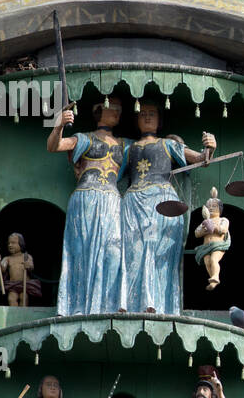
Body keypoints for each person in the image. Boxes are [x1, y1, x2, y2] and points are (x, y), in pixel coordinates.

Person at [120, 101, 215, 314]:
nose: (146, 117)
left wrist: (210, 147)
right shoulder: (129, 148)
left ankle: (157, 302)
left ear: (159, 120)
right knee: (132, 254)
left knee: (156, 251)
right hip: (133, 203)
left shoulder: (167, 144)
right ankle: (131, 302)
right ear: (136, 119)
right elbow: (109, 175)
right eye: (142, 113)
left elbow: (201, 159)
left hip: (160, 201)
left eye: (152, 113)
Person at [48, 97, 129, 315]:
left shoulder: (125, 144)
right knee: (82, 250)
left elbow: (152, 154)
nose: (117, 112)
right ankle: (78, 306)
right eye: (113, 108)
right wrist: (60, 124)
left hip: (113, 201)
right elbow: (54, 146)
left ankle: (108, 305)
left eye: (119, 109)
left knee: (114, 251)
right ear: (99, 110)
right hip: (85, 199)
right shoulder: (84, 138)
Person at [193, 187, 231, 291]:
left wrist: (214, 227)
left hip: (218, 245)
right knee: (207, 261)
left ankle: (215, 276)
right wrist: (204, 230)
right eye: (209, 206)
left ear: (220, 208)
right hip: (206, 247)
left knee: (214, 259)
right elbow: (197, 233)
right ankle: (213, 280)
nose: (211, 208)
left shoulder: (223, 219)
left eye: (214, 206)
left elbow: (223, 229)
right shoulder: (205, 222)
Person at [0, 232, 40, 306]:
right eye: (9, 243)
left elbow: (31, 266)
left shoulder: (26, 256)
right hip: (13, 285)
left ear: (21, 244)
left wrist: (28, 265)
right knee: (11, 298)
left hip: (25, 284)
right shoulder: (7, 258)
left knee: (24, 298)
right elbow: (2, 269)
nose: (10, 245)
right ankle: (14, 314)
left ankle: (23, 314)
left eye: (13, 243)